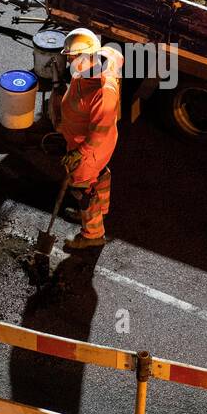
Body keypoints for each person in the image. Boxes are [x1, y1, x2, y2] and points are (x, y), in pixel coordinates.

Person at [55, 28, 124, 250]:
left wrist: (79, 154)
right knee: (101, 174)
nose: (70, 62)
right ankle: (100, 208)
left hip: (91, 149)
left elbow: (98, 133)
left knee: (82, 188)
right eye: (70, 58)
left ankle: (93, 233)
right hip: (95, 148)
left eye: (74, 57)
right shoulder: (103, 58)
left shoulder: (104, 94)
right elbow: (117, 54)